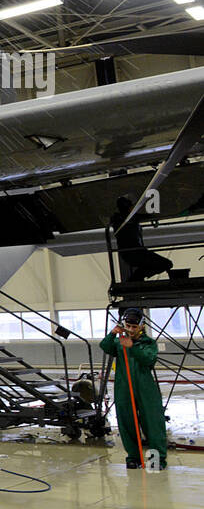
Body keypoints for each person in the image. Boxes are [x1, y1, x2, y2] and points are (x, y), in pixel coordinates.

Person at [99, 306, 168, 470]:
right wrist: (113, 333)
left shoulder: (148, 343)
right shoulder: (118, 342)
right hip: (124, 386)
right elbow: (105, 346)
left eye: (134, 327)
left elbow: (148, 360)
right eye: (128, 326)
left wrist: (132, 347)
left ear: (142, 326)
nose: (130, 330)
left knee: (153, 424)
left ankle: (157, 460)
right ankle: (133, 457)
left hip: (145, 387)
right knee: (127, 422)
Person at [111, 196, 172, 282]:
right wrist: (151, 217)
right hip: (135, 252)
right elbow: (135, 217)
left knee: (163, 264)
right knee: (166, 264)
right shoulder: (123, 219)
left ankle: (137, 277)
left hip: (134, 252)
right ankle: (136, 278)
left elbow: (136, 217)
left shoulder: (120, 219)